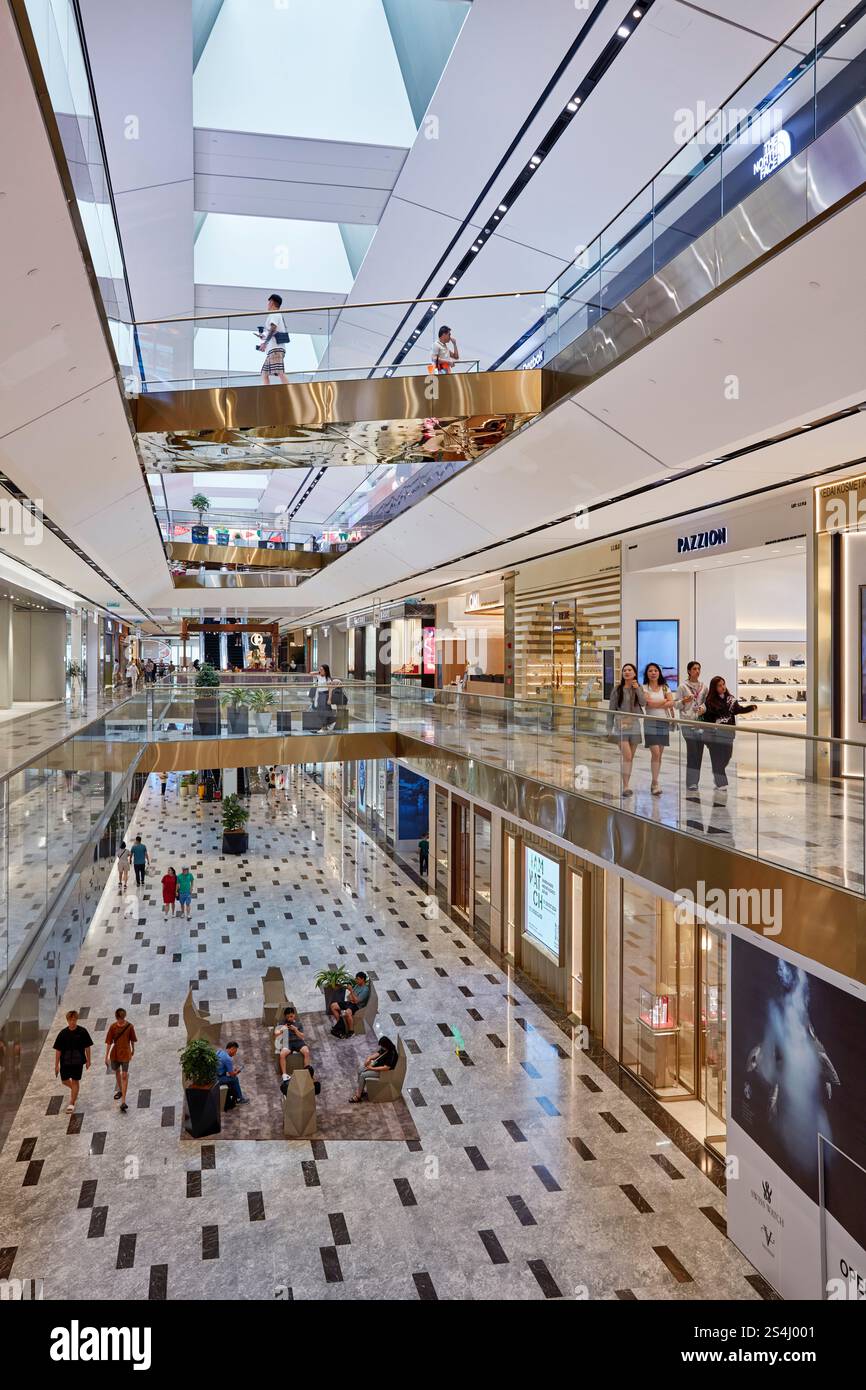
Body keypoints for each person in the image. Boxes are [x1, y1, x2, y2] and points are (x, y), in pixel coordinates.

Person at [700, 676, 757, 804]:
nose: (723, 687)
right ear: (714, 688)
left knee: (727, 757)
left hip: (728, 734)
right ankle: (721, 782)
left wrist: (750, 708)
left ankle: (717, 772)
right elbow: (708, 719)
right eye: (720, 685)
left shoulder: (731, 700)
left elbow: (738, 710)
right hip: (714, 735)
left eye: (723, 684)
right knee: (717, 758)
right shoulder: (710, 702)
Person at [607, 663, 646, 797]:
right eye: (624, 670)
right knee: (627, 756)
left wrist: (638, 689)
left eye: (630, 670)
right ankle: (625, 786)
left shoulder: (638, 688)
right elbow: (611, 709)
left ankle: (626, 784)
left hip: (634, 726)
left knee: (630, 758)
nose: (627, 672)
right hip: (620, 726)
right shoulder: (617, 689)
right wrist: (609, 727)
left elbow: (643, 703)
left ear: (634, 673)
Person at [673, 660, 709, 797]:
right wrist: (684, 701)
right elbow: (676, 705)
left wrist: (703, 708)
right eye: (694, 669)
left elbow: (707, 703)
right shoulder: (682, 687)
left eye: (699, 668)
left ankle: (695, 781)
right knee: (692, 751)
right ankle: (691, 782)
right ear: (689, 671)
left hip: (700, 723)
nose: (697, 671)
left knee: (699, 753)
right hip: (687, 723)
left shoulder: (704, 687)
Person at [642, 662, 675, 796]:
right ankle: (655, 783)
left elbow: (672, 702)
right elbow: (648, 704)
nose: (653, 673)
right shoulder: (644, 688)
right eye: (650, 671)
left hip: (663, 722)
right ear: (647, 674)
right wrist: (663, 702)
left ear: (659, 673)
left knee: (659, 755)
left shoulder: (665, 687)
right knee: (655, 753)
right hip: (650, 722)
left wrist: (659, 703)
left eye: (656, 670)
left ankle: (654, 781)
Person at [53, 1010, 93, 1113]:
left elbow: (87, 1046)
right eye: (70, 1020)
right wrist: (56, 1065)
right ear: (67, 1020)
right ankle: (75, 1091)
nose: (72, 1022)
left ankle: (72, 1102)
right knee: (64, 1080)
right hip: (65, 1062)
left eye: (74, 1020)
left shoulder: (82, 1032)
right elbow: (58, 1050)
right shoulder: (63, 1033)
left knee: (75, 1081)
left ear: (76, 1020)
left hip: (77, 1061)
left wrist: (89, 1060)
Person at [104, 1007, 137, 1113]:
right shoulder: (113, 1027)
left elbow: (132, 1039)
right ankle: (120, 1090)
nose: (121, 1020)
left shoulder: (129, 1026)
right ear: (117, 1017)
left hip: (126, 1053)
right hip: (115, 1053)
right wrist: (106, 1055)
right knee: (117, 1071)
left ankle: (123, 1101)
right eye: (119, 1018)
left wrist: (132, 1049)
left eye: (122, 1018)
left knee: (124, 1075)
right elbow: (109, 1041)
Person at [349, 1035, 398, 1102]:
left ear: (386, 1045)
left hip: (384, 1072)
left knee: (363, 1075)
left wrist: (371, 1068)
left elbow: (386, 1068)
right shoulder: (385, 1049)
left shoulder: (392, 1054)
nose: (381, 1047)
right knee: (360, 1070)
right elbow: (377, 1054)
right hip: (377, 1066)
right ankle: (361, 1090)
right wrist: (369, 1058)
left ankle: (358, 1096)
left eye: (382, 1046)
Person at [256, 292, 289, 385]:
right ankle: (267, 392)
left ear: (271, 302)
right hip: (273, 349)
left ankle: (289, 391)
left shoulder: (274, 314)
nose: (268, 304)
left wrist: (265, 343)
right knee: (264, 373)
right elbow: (273, 330)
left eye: (269, 302)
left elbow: (273, 328)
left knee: (280, 372)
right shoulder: (277, 315)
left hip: (275, 349)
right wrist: (263, 337)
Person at [329, 972, 371, 1038]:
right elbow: (350, 997)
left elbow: (357, 1001)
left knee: (348, 1012)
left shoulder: (365, 990)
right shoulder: (357, 985)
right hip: (350, 1003)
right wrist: (353, 997)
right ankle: (341, 1025)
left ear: (363, 979)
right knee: (333, 1006)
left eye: (358, 979)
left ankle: (351, 1031)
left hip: (357, 1006)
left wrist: (351, 991)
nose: (356, 980)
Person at [274, 1007, 312, 1077]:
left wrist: (295, 1030)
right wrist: (282, 1029)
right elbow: (276, 1034)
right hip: (287, 1042)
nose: (290, 1018)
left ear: (294, 1015)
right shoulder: (282, 1023)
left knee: (306, 1051)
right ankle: (284, 1074)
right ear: (285, 1016)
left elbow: (302, 1036)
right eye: (288, 1017)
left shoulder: (298, 1023)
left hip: (298, 1041)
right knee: (282, 1054)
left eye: (291, 1016)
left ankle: (307, 1071)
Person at [215, 1041, 248, 1108]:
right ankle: (239, 1099)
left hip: (214, 1075)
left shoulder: (219, 1052)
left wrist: (232, 1071)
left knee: (231, 1079)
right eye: (235, 1051)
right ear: (231, 1048)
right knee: (235, 1079)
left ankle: (235, 1096)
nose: (235, 1054)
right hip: (217, 1079)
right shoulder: (228, 1059)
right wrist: (238, 1071)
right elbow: (232, 1075)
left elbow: (221, 1066)